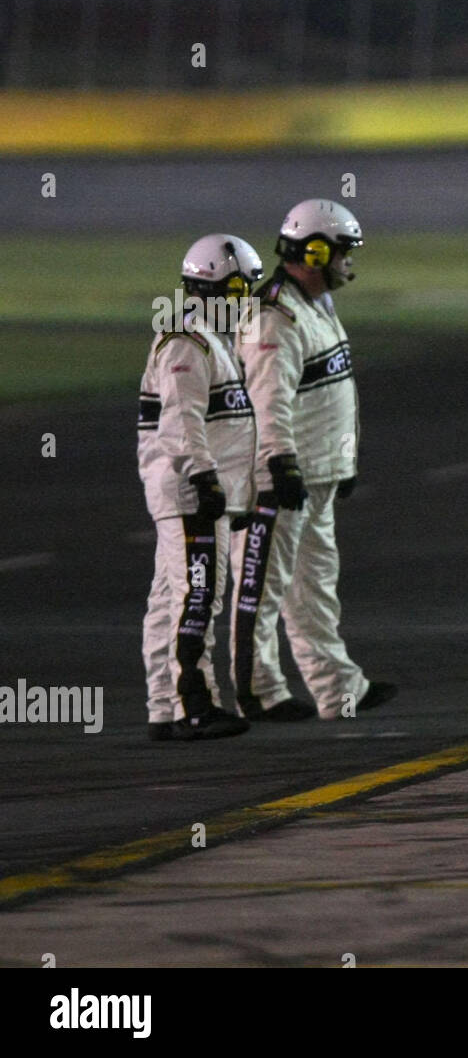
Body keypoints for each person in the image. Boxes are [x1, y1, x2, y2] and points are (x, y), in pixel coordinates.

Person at [229, 198, 396, 721]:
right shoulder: (274, 316)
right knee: (262, 585)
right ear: (316, 250)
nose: (349, 261)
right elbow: (269, 398)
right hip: (279, 478)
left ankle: (339, 689)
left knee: (314, 590)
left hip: (317, 473)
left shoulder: (314, 306)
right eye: (344, 251)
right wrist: (280, 464)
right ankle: (257, 690)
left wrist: (341, 464)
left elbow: (329, 394)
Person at [139, 234, 261, 741]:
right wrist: (205, 478)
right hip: (190, 491)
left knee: (170, 598)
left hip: (192, 487)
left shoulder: (207, 339)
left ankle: (165, 708)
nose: (246, 301)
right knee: (200, 593)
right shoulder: (187, 343)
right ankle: (196, 704)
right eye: (238, 289)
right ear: (207, 289)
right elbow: (182, 421)